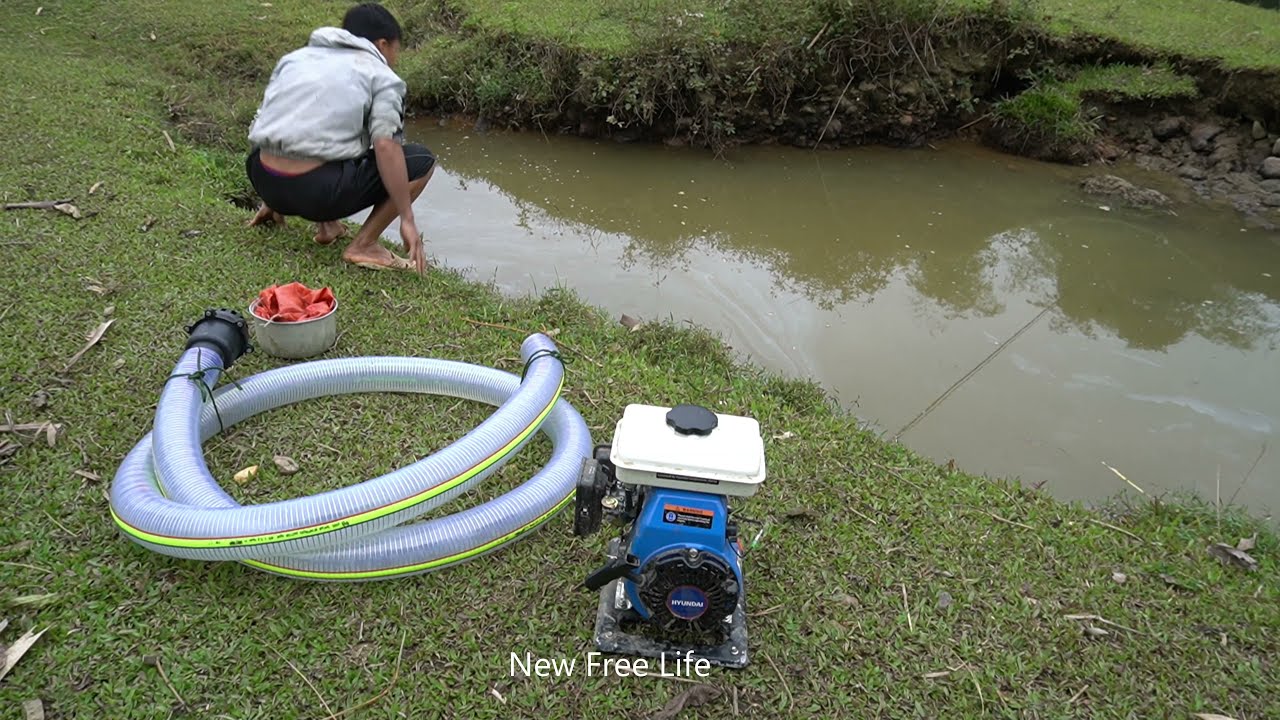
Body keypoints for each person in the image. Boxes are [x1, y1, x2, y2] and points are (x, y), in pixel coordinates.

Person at [244, 3, 433, 273]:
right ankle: (364, 245)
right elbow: (385, 146)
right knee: (420, 160)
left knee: (338, 135)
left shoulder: (296, 59)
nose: (395, 58)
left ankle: (326, 226)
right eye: (396, 49)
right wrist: (407, 218)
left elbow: (273, 119)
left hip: (260, 175)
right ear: (382, 44)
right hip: (314, 193)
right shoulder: (382, 77)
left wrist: (271, 196)